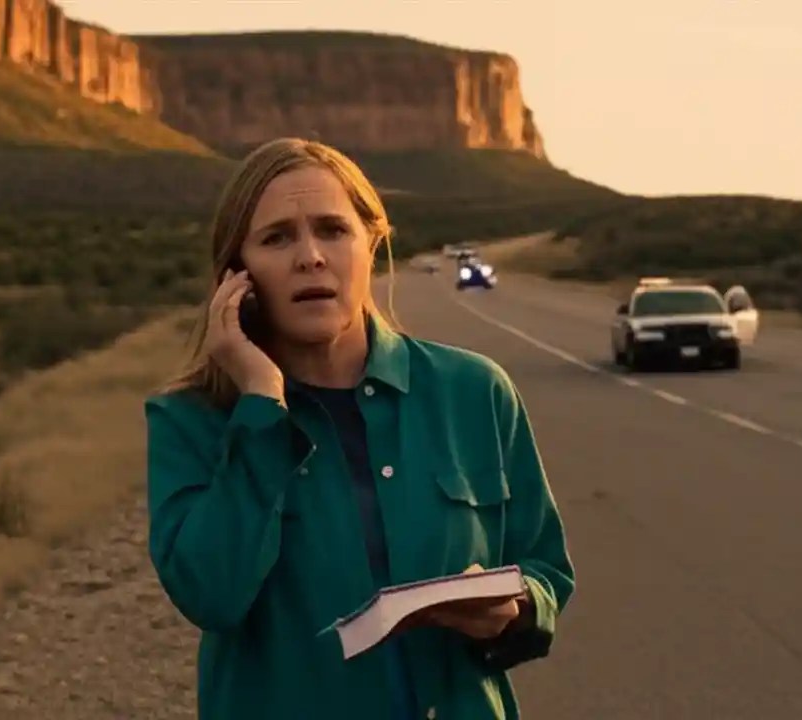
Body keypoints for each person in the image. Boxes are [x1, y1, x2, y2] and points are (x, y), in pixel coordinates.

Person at [143, 137, 576, 719]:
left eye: (331, 229)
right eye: (277, 238)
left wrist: (517, 607)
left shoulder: (474, 392)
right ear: (236, 275)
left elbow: (545, 569)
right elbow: (211, 594)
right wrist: (261, 405)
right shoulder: (190, 421)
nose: (310, 257)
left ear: (372, 241)